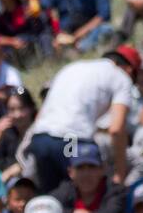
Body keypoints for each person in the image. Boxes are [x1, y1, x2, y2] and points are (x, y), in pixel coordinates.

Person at [25, 46, 136, 192]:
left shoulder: (72, 67)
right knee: (83, 194)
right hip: (70, 140)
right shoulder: (121, 77)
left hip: (40, 139)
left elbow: (41, 115)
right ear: (129, 70)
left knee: (51, 197)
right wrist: (120, 175)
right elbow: (116, 129)